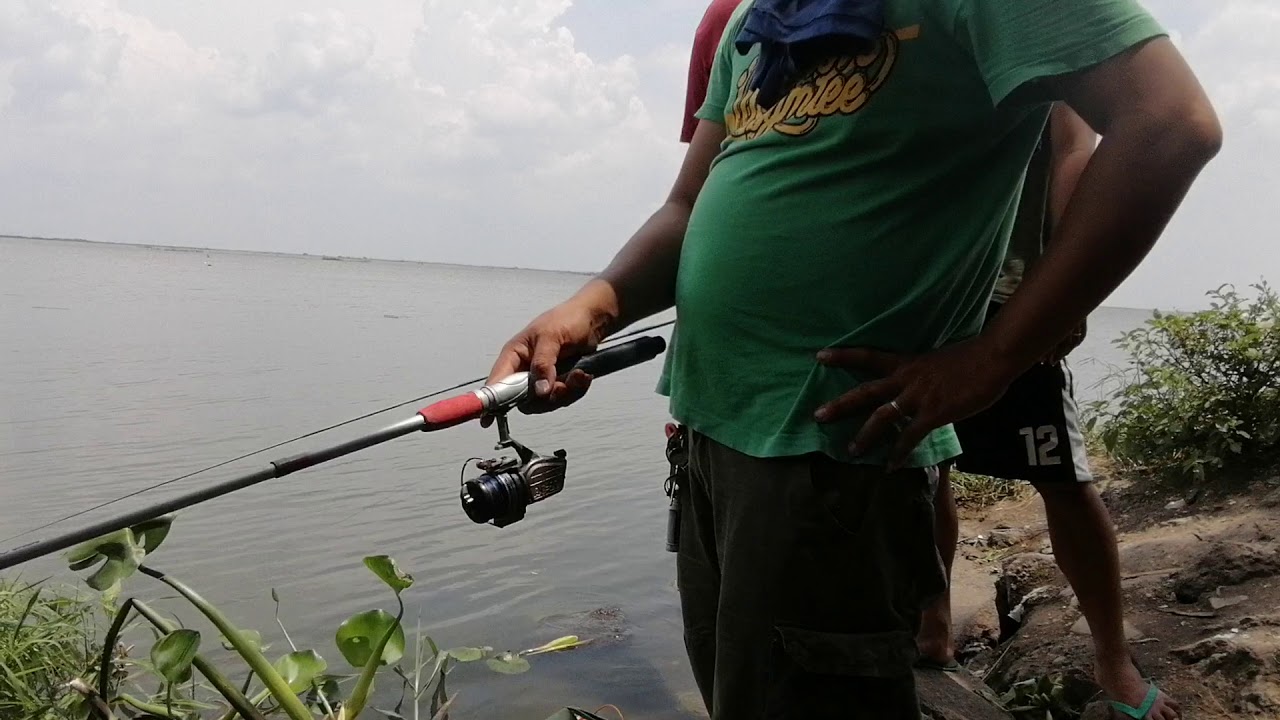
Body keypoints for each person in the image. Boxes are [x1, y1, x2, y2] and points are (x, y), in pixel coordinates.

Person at [486, 0, 1221, 717]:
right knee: (739, 689)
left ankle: (1108, 661)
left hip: (837, 448)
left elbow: (1168, 121)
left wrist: (997, 354)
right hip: (711, 431)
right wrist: (593, 306)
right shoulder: (754, 19)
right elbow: (687, 204)